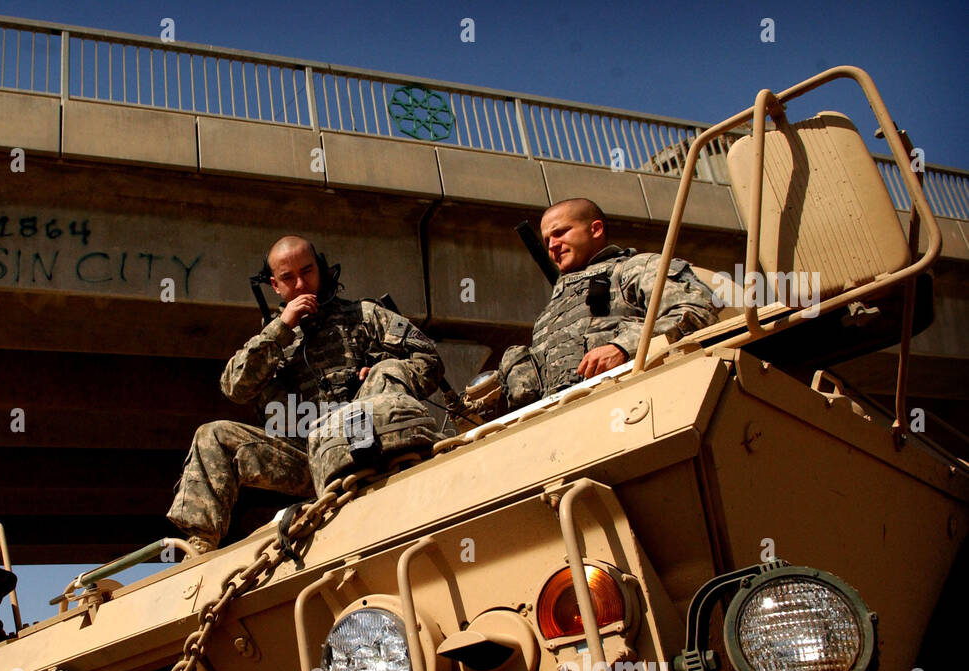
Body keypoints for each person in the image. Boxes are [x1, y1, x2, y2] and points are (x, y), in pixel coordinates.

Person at [167, 236, 445, 555]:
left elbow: (428, 357)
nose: (301, 283)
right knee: (212, 436)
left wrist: (381, 370)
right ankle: (200, 545)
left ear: (321, 269)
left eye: (308, 271)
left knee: (388, 369)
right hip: (308, 455)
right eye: (288, 278)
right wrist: (280, 329)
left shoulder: (365, 315)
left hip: (371, 437)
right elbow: (234, 387)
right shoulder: (274, 338)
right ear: (275, 285)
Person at [494, 197, 718, 412]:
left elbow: (697, 311)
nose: (553, 245)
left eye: (560, 233)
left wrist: (623, 347)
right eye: (547, 241)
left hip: (637, 405)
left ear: (596, 229)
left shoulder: (634, 269)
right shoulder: (548, 316)